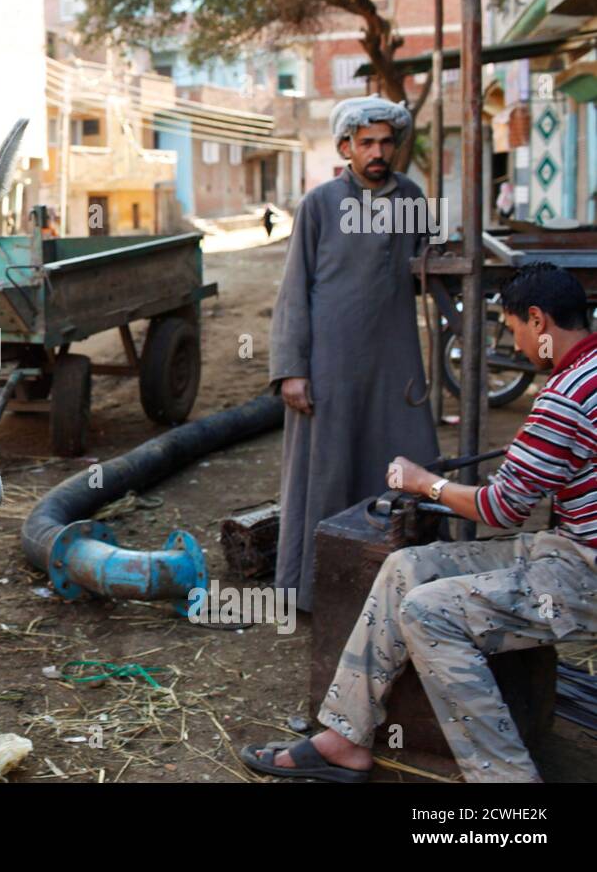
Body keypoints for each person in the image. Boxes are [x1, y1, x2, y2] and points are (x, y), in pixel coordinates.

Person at [245, 262, 597, 783]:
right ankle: (345, 737)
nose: (518, 344)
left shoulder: (565, 396)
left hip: (584, 573)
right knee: (406, 568)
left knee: (430, 613)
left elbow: (502, 509)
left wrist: (423, 483)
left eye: (516, 328)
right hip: (565, 546)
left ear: (539, 320)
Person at [269, 95, 438, 612]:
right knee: (327, 471)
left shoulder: (412, 199)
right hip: (331, 364)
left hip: (395, 365)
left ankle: (414, 588)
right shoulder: (319, 204)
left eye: (387, 142)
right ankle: (316, 593)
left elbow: (435, 268)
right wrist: (292, 370)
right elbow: (294, 291)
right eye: (366, 142)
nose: (378, 151)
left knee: (407, 461)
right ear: (346, 147)